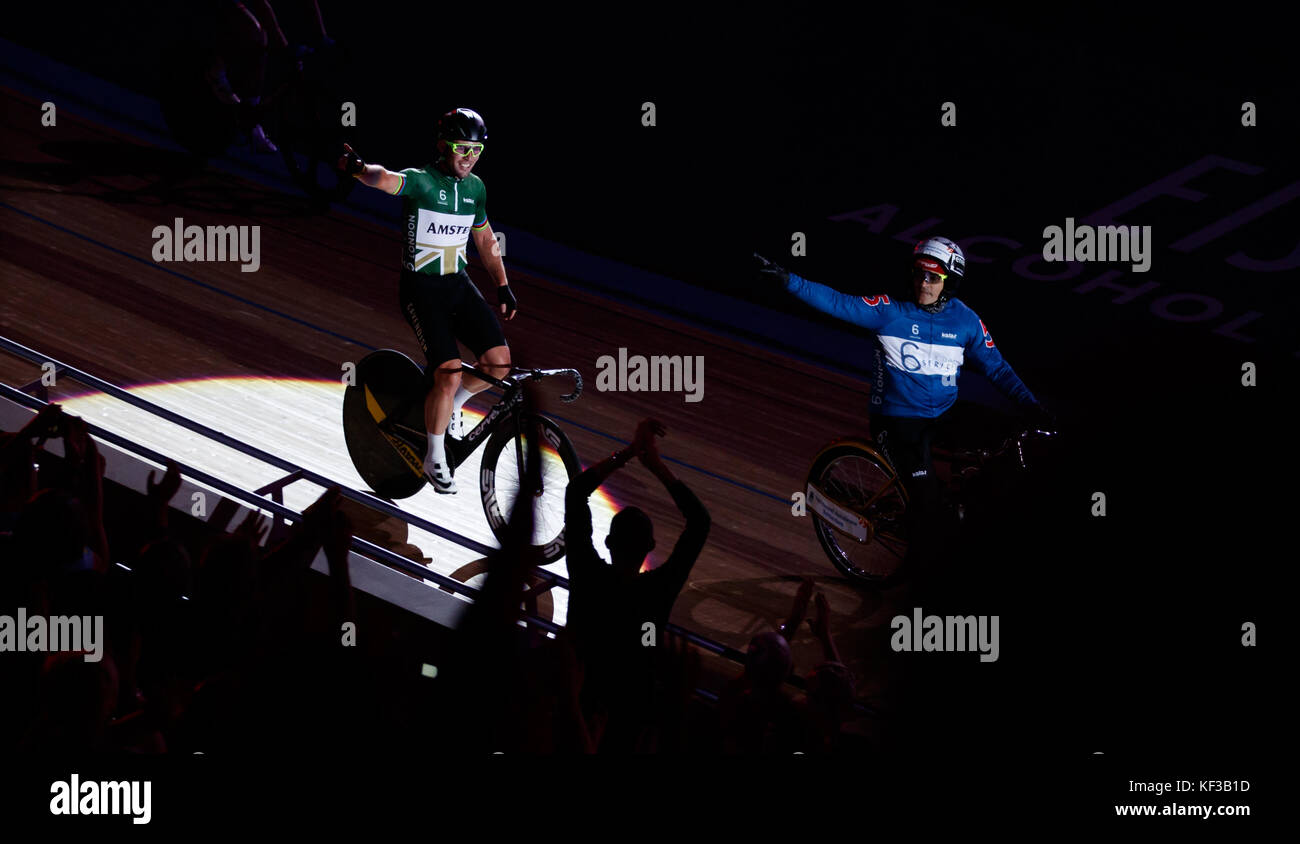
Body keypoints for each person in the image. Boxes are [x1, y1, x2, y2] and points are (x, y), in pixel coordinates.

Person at [756, 238, 1052, 563]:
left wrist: (1033, 407)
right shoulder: (889, 311)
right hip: (897, 422)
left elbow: (997, 368)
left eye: (933, 278)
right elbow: (838, 303)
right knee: (929, 510)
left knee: (1007, 438)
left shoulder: (966, 321)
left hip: (944, 413)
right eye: (919, 275)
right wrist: (789, 280)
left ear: (949, 282)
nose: (923, 284)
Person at [339, 109, 518, 493]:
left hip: (457, 284)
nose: (469, 157)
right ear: (442, 147)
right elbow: (384, 179)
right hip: (421, 290)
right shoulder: (422, 181)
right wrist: (359, 169)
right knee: (448, 372)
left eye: (476, 150)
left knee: (498, 363)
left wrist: (502, 284)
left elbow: (485, 240)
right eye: (461, 149)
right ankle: (433, 455)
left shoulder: (476, 189)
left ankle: (450, 406)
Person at [563, 418, 711, 749]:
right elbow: (699, 524)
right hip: (631, 712)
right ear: (650, 549)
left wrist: (627, 454)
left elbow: (575, 494)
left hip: (582, 701)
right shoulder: (656, 592)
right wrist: (654, 464)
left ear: (607, 542)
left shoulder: (587, 574)